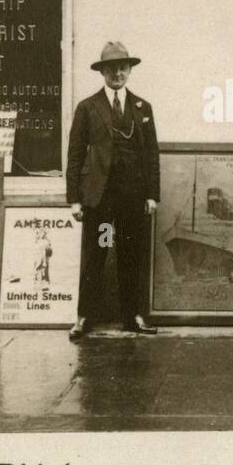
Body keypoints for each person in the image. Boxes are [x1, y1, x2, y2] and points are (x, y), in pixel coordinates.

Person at [66, 42, 161, 339]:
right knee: (95, 254)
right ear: (102, 72)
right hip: (101, 198)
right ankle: (84, 317)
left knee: (131, 255)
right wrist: (75, 199)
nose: (118, 73)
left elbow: (151, 156)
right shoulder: (87, 107)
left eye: (123, 67)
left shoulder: (142, 108)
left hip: (132, 198)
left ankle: (134, 316)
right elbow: (75, 155)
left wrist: (151, 195)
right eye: (111, 68)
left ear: (130, 70)